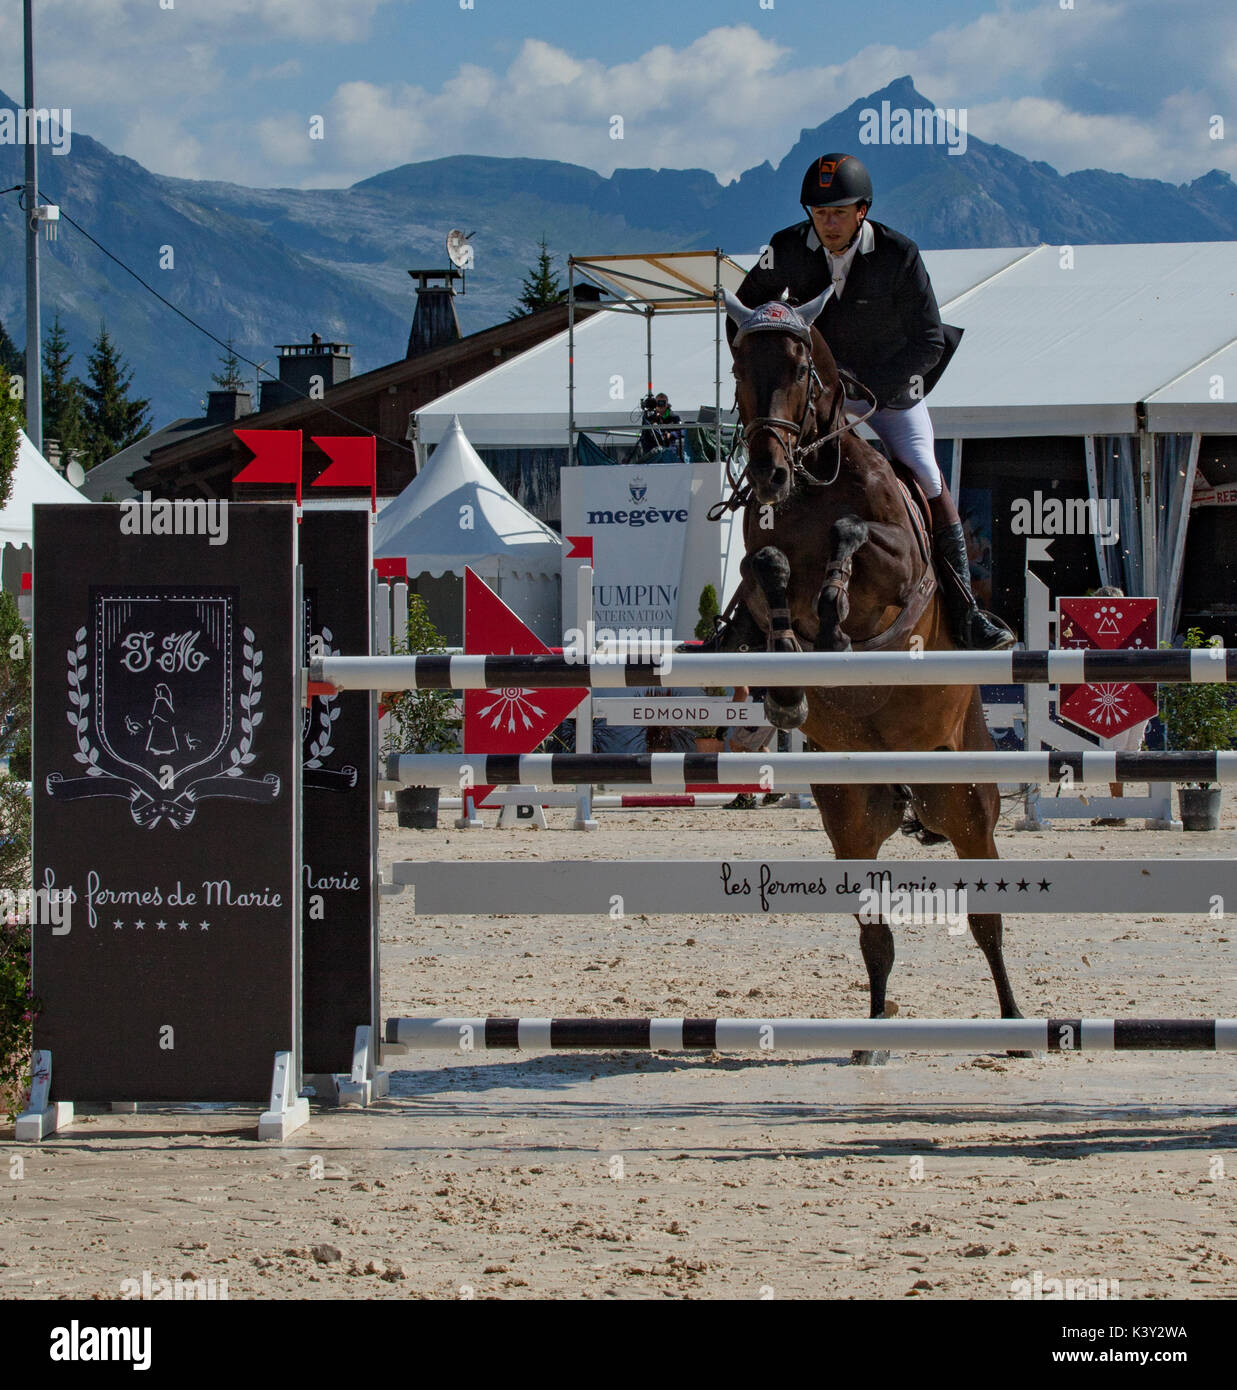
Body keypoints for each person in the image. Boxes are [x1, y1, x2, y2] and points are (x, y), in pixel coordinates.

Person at [735, 152, 1013, 650]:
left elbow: (928, 340)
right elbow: (744, 313)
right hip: (814, 397)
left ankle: (966, 608)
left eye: (839, 213)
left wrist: (871, 391)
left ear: (862, 210)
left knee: (925, 471)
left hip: (887, 391)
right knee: (770, 470)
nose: (829, 223)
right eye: (820, 214)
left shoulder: (898, 254)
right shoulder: (783, 250)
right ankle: (746, 609)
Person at [1088, 586, 1151, 827]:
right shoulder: (1138, 624)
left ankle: (1118, 809)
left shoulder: (1105, 628)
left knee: (1116, 754)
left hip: (1118, 695)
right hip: (1136, 692)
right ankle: (1122, 807)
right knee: (1127, 752)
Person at [638, 392, 686, 461]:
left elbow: (683, 431)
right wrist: (652, 420)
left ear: (667, 404)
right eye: (658, 402)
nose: (661, 405)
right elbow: (645, 435)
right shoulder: (649, 417)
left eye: (663, 402)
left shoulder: (673, 417)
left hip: (669, 451)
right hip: (651, 452)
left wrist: (671, 435)